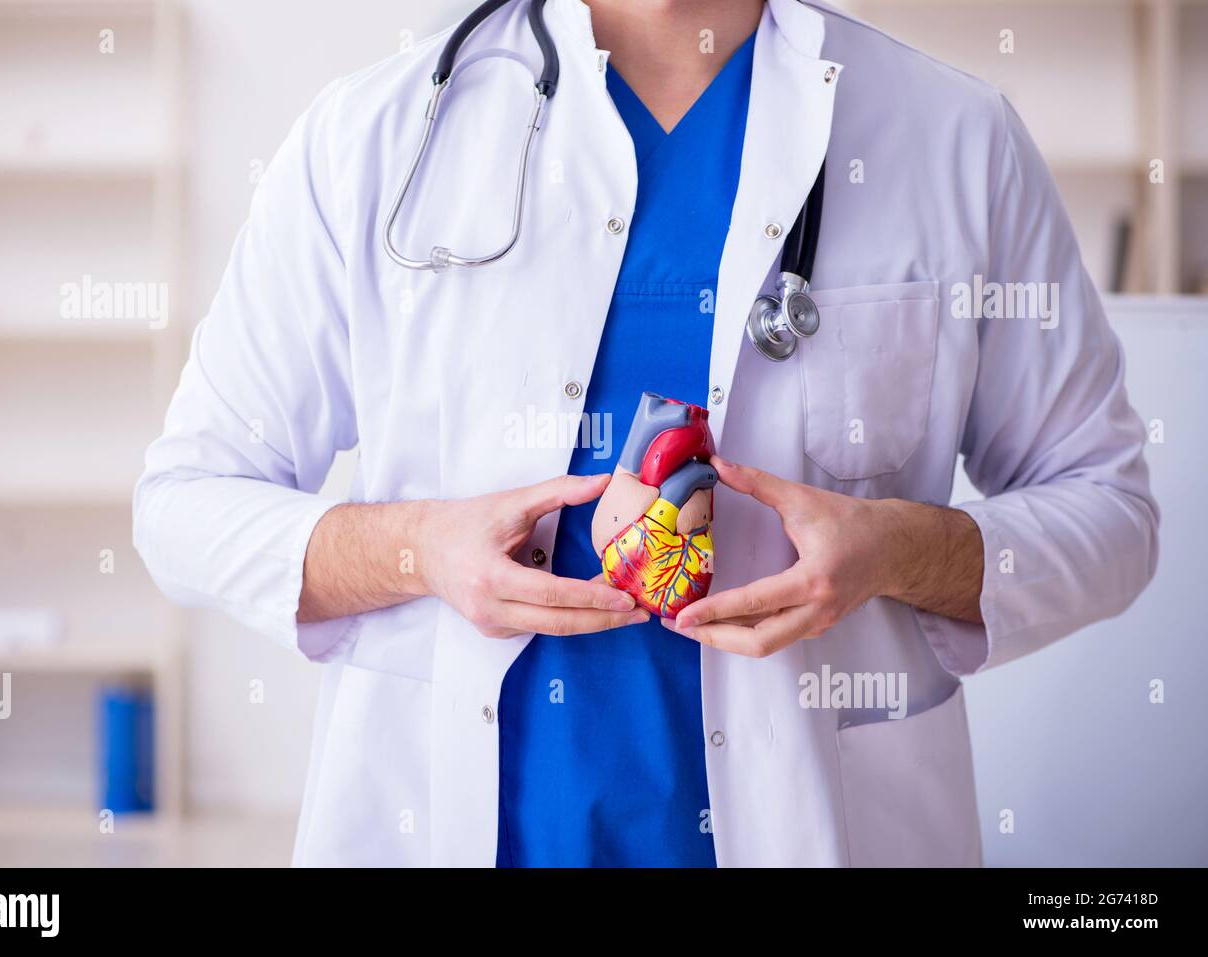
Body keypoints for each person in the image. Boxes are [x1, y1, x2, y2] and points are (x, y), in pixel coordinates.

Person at [133, 0, 1158, 866]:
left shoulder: (951, 136)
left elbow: (1111, 511)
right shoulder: (375, 138)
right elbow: (187, 504)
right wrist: (418, 551)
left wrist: (898, 549)